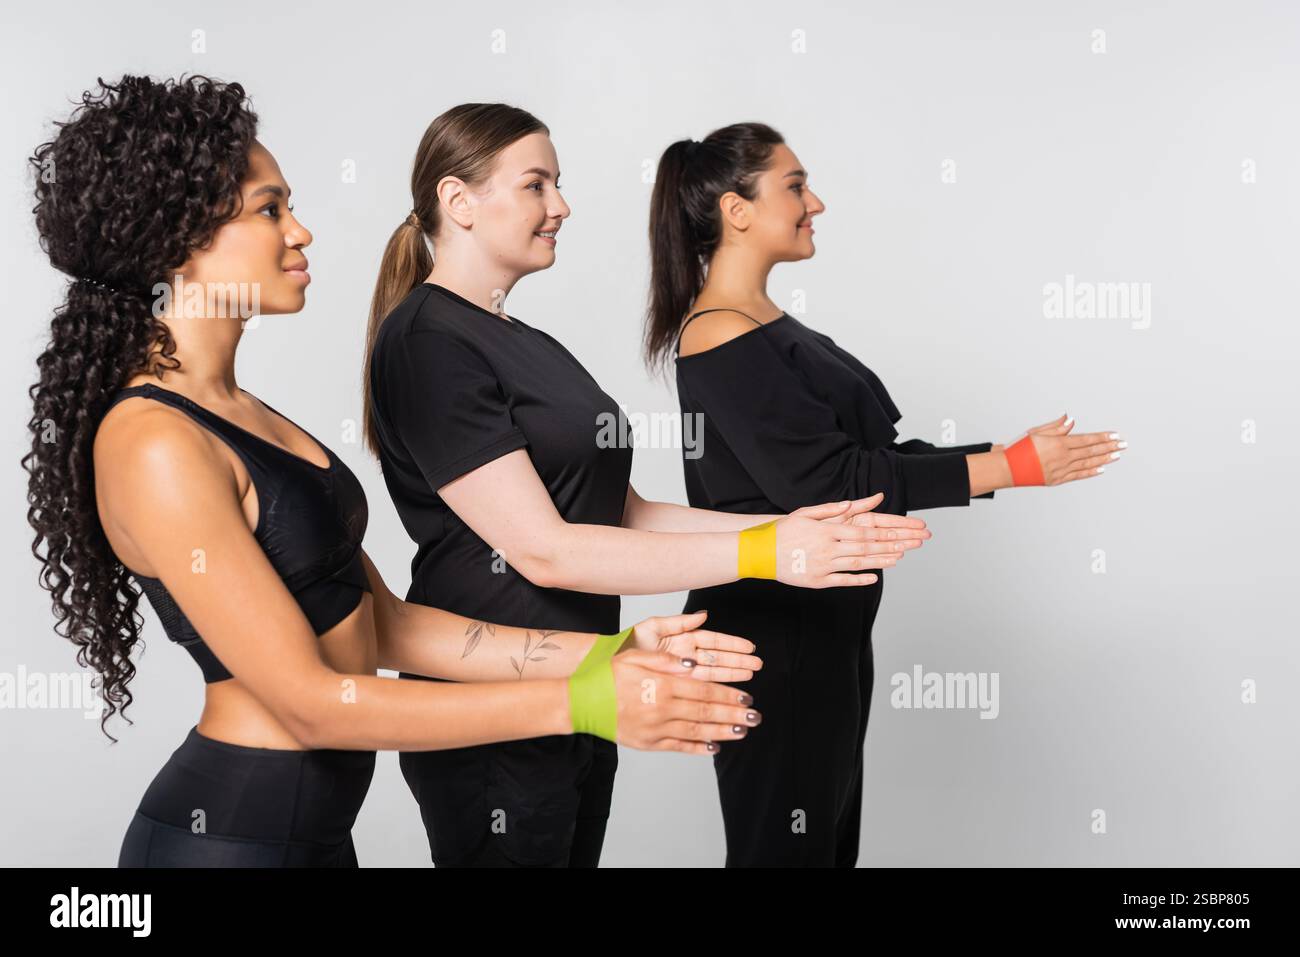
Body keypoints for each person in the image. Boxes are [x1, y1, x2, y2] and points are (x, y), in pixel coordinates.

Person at [23, 75, 761, 869]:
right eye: (270, 209)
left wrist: (604, 655)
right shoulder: (153, 443)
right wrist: (583, 703)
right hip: (228, 841)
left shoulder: (250, 417)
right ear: (179, 238)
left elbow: (392, 627)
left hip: (312, 838)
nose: (301, 231)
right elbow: (310, 704)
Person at [363, 102, 936, 867]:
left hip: (587, 681)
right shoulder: (427, 343)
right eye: (535, 185)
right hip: (489, 710)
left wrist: (803, 530)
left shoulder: (524, 341)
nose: (560, 205)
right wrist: (768, 551)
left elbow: (624, 513)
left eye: (557, 184)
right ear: (458, 201)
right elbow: (548, 552)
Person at [643, 122, 1126, 866]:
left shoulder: (759, 325)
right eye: (796, 186)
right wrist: (1009, 468)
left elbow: (870, 459)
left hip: (824, 638)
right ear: (736, 210)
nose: (818, 203)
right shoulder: (719, 338)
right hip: (775, 643)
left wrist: (1008, 457)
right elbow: (832, 486)